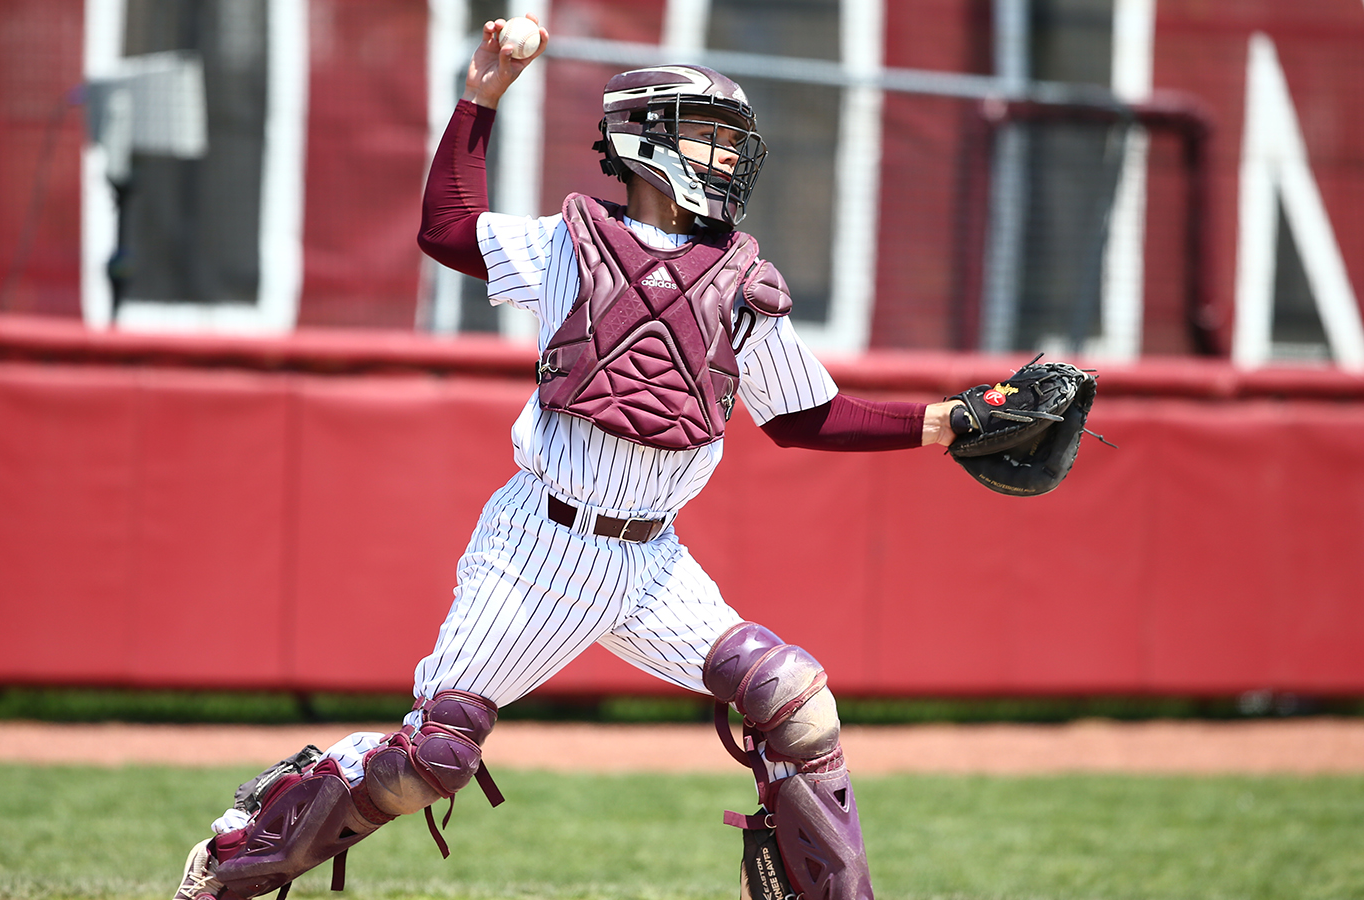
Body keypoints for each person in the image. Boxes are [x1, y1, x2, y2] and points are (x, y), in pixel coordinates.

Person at [171, 16, 962, 900]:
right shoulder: (569, 245)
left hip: (652, 560)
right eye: (710, 136)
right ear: (644, 141)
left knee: (795, 700)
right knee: (432, 758)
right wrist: (482, 96)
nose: (730, 158)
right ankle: (248, 846)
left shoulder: (744, 282)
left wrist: (951, 423)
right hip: (537, 549)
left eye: (733, 142)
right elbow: (446, 229)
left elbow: (808, 416)